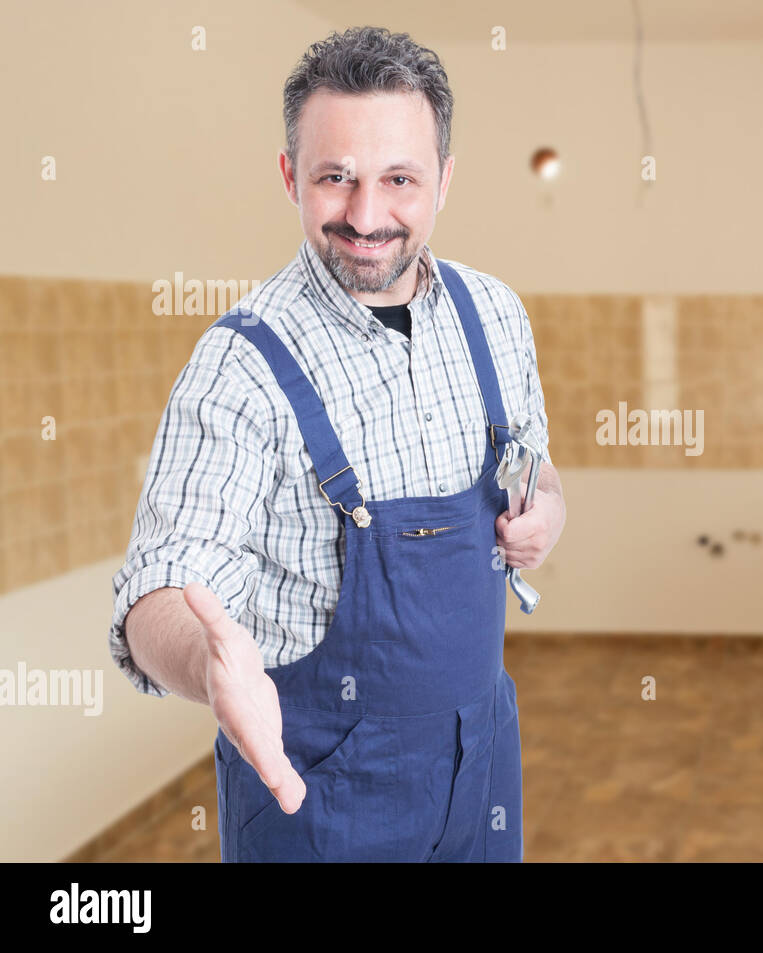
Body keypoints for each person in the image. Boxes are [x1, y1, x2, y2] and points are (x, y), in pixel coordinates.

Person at [107, 26, 565, 862]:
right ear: (291, 176)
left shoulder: (496, 316)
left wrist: (547, 515)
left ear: (445, 181)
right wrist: (211, 664)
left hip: (484, 765)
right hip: (319, 798)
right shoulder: (239, 367)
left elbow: (535, 469)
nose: (365, 215)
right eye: (334, 177)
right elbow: (156, 596)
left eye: (398, 179)